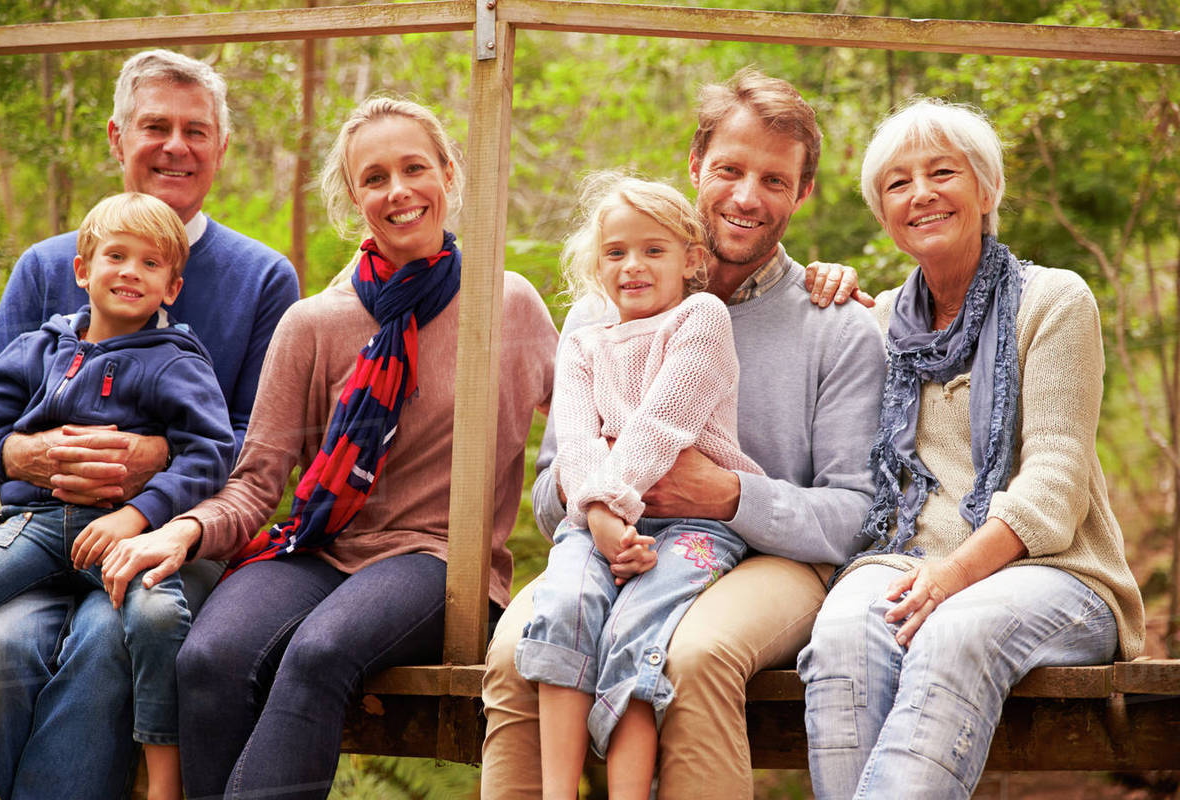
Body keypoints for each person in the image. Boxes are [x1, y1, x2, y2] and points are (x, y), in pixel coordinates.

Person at [98, 95, 557, 800]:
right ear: (353, 198)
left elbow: (584, 424)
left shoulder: (509, 303)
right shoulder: (315, 323)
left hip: (441, 563)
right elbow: (256, 484)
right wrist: (185, 530)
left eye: (414, 168)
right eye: (374, 178)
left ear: (450, 174)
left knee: (320, 652)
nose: (398, 191)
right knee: (210, 657)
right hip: (322, 548)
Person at [481, 68, 887, 800]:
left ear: (802, 195)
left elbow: (859, 516)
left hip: (772, 559)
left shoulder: (838, 325)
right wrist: (603, 488)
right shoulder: (600, 315)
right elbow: (548, 496)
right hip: (620, 544)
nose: (744, 196)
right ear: (696, 165)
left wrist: (729, 495)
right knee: (517, 650)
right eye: (729, 169)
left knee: (692, 655)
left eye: (774, 179)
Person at [795, 98, 1146, 799]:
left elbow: (1053, 487)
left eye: (942, 172)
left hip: (1057, 569)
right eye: (897, 183)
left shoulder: (1054, 301)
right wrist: (815, 281)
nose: (920, 193)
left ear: (985, 191)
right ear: (884, 215)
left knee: (955, 632)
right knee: (840, 638)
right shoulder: (877, 321)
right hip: (903, 556)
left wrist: (952, 576)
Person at [0, 49, 299, 800]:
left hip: (170, 541)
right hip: (42, 533)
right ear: (119, 139)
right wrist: (28, 454)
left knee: (102, 646)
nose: (176, 146)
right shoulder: (47, 266)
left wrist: (152, 464)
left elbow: (259, 448)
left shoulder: (262, 277)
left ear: (221, 146)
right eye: (156, 126)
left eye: (197, 130)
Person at [0, 192, 236, 800]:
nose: (129, 272)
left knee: (154, 615)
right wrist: (20, 453)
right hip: (35, 525)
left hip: (127, 535)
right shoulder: (40, 350)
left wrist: (137, 513)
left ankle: (163, 780)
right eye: (116, 256)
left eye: (150, 264)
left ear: (171, 287)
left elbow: (212, 454)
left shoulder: (178, 362)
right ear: (81, 270)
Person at [517, 174, 765, 799]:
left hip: (695, 527)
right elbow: (573, 440)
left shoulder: (700, 318)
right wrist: (598, 522)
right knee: (565, 605)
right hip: (596, 523)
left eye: (654, 250)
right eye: (616, 252)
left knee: (637, 629)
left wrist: (607, 507)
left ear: (690, 259)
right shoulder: (582, 344)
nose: (633, 265)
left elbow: (662, 425)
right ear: (596, 265)